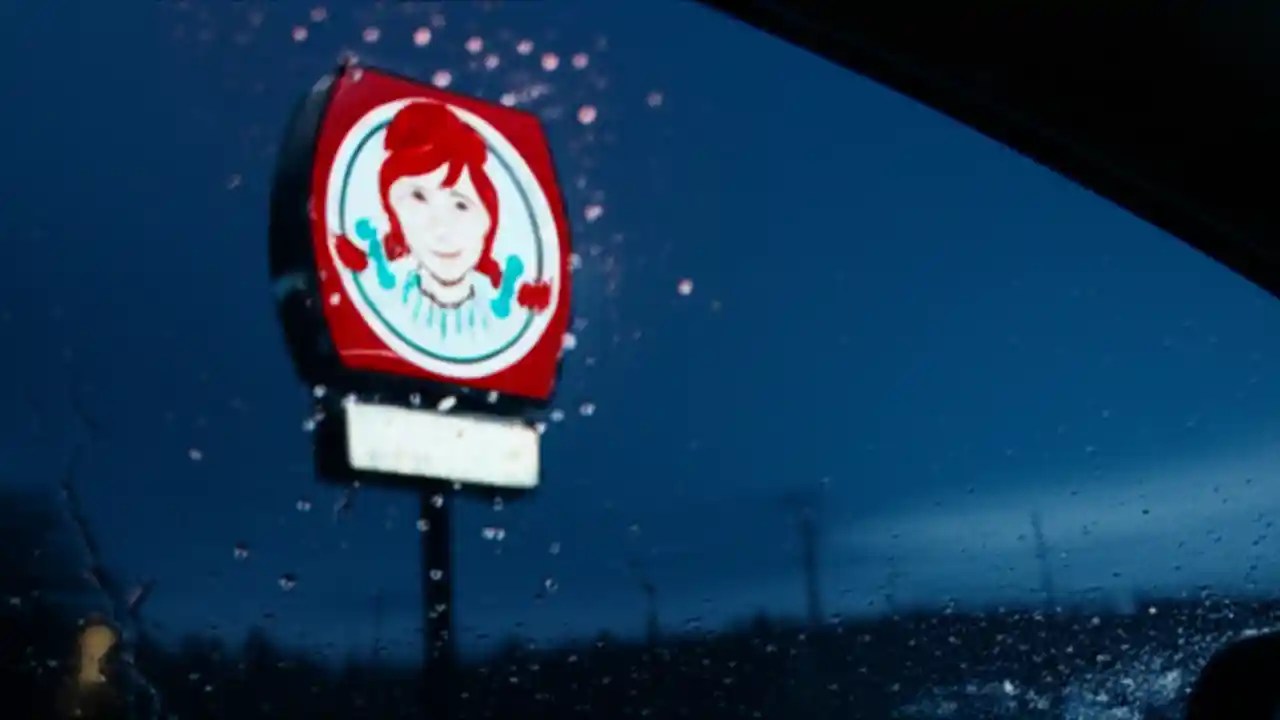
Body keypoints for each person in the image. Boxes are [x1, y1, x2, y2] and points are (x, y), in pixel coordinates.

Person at [332, 101, 551, 323]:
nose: (441, 228)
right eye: (419, 198)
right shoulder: (388, 287)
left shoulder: (501, 310)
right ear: (393, 215)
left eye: (461, 205)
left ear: (490, 221)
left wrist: (530, 302)